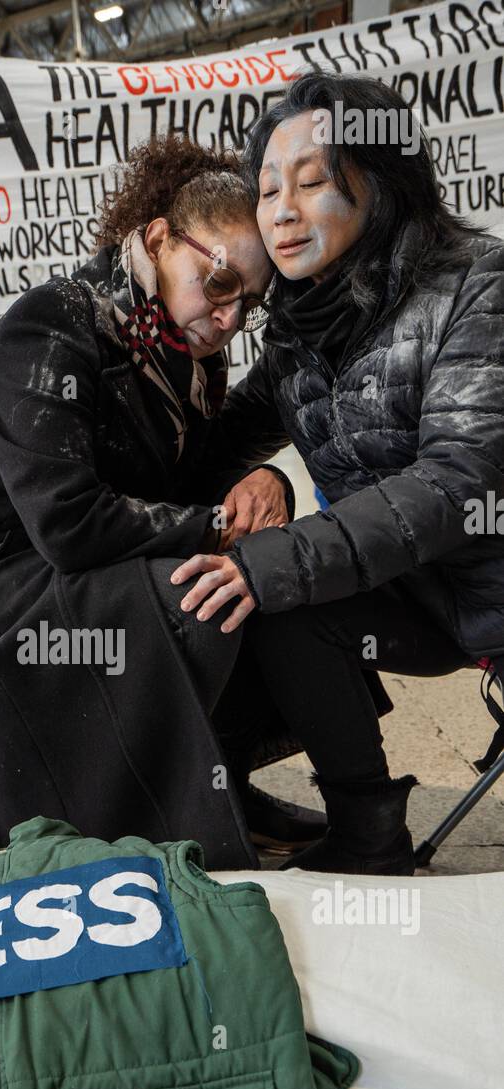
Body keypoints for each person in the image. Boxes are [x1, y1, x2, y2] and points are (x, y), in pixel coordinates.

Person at [0, 137, 326, 866]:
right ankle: (159, 821)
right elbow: (68, 522)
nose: (228, 319)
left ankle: (218, 786)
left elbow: (188, 475)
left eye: (249, 303)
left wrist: (267, 484)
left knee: (263, 575)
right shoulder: (55, 322)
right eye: (218, 282)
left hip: (50, 568)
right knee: (201, 596)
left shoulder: (175, 353)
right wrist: (218, 524)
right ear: (157, 237)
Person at [174, 74, 504, 874]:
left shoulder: (478, 283)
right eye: (267, 190)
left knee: (274, 570)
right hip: (422, 596)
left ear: (382, 182)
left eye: (314, 181)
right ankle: (367, 829)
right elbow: (217, 446)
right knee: (273, 593)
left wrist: (278, 554)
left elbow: (460, 482)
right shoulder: (298, 325)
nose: (282, 210)